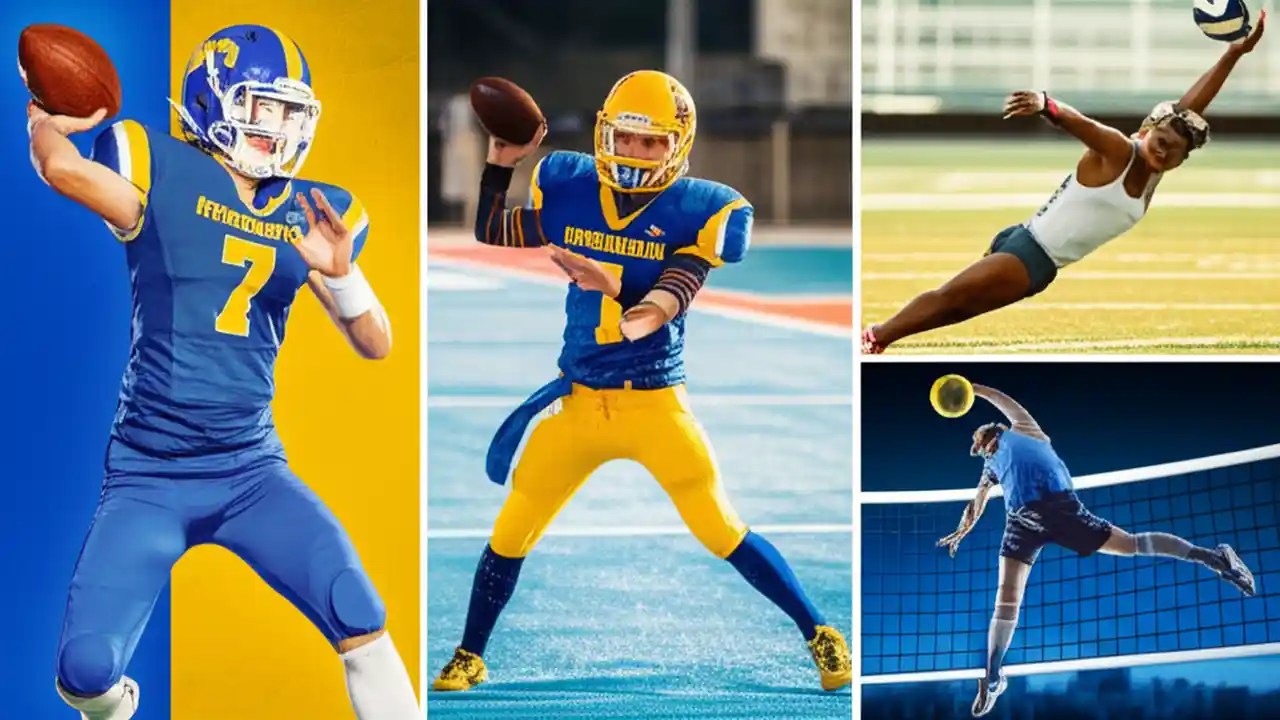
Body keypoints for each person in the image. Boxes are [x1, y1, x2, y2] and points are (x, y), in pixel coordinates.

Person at [27, 24, 417, 720]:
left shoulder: (314, 214)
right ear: (214, 103)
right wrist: (44, 120)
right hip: (150, 474)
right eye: (265, 108)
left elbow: (376, 342)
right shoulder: (158, 169)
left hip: (250, 472)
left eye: (292, 113)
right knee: (83, 673)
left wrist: (346, 274)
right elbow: (62, 170)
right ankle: (114, 708)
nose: (281, 128)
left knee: (359, 609)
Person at [431, 69, 852, 693]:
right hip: (578, 405)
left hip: (654, 407)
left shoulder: (701, 211)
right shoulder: (570, 188)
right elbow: (493, 230)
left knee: (721, 529)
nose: (633, 152)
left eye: (650, 142)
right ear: (606, 134)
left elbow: (660, 306)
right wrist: (501, 162)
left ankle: (820, 633)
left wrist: (616, 287)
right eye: (626, 138)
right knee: (511, 528)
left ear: (676, 146)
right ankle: (470, 652)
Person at [863, 14, 1266, 353]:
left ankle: (880, 339)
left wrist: (1232, 53)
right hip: (1028, 252)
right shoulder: (1121, 152)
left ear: (1181, 159)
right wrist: (1046, 104)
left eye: (1173, 152)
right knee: (947, 299)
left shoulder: (1154, 169)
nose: (1163, 152)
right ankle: (875, 337)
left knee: (953, 310)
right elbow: (1084, 124)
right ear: (1149, 130)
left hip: (1037, 260)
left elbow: (1189, 108)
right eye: (1161, 142)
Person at [938, 382, 1255, 717]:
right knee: (1006, 597)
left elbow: (1005, 400)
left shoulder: (1024, 429)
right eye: (976, 447)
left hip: (1063, 510)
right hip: (1022, 523)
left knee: (1132, 544)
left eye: (977, 439)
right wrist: (961, 531)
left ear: (993, 430)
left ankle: (1216, 559)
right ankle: (992, 677)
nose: (976, 444)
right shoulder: (990, 466)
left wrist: (972, 388)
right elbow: (976, 504)